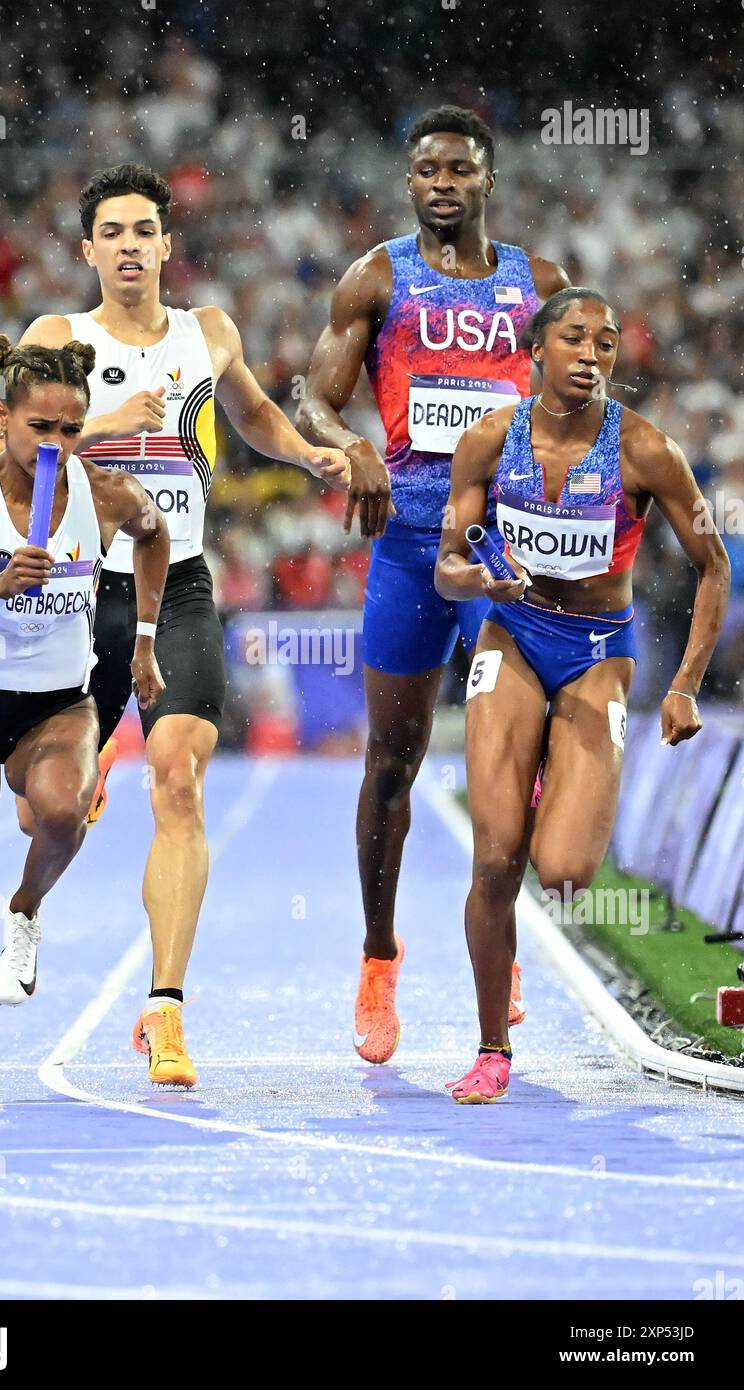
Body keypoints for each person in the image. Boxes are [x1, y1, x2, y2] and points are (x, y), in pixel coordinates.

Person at [0, 163, 352, 1088]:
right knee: (44, 811)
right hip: (75, 592)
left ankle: (165, 1011)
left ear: (168, 245)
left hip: (175, 582)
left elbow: (255, 416)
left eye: (147, 230)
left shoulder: (207, 332)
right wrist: (97, 427)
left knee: (177, 776)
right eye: (114, 232)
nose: (132, 245)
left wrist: (308, 451)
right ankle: (26, 906)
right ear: (90, 249)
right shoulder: (57, 340)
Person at [296, 105, 569, 1063]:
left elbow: (579, 408)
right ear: (409, 183)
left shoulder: (540, 285)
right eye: (426, 170)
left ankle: (500, 937)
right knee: (392, 763)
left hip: (511, 555)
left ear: (488, 181)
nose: (441, 183)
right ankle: (379, 959)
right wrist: (349, 445)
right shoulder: (378, 277)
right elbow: (311, 398)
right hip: (412, 547)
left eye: (459, 168)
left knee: (516, 768)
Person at [435, 288, 730, 1103]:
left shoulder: (646, 451)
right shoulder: (489, 441)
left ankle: (548, 773)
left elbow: (713, 566)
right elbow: (446, 568)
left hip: (599, 653)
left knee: (562, 871)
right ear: (535, 351)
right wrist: (481, 575)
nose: (593, 355)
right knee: (495, 860)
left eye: (606, 343)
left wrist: (684, 685)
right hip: (513, 637)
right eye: (575, 339)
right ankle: (493, 1047)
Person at [0, 336, 169, 1103]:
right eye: (40, 428)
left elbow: (155, 535)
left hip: (59, 705)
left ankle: (26, 909)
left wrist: (144, 640)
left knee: (60, 810)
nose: (56, 444)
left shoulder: (103, 494)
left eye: (71, 429)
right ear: (3, 417)